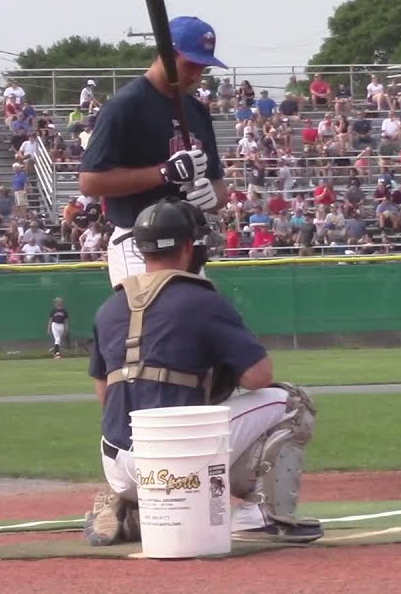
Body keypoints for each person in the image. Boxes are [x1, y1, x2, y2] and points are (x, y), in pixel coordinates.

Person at [84, 198, 322, 547]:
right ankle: (263, 517)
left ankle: (138, 506)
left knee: (165, 423)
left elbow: (104, 396)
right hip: (174, 459)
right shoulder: (201, 299)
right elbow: (258, 376)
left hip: (118, 464)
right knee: (293, 403)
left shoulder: (109, 307)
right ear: (187, 246)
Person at [78, 16, 227, 289]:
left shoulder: (196, 111)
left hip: (187, 243)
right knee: (152, 326)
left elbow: (219, 186)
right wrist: (164, 173)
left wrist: (211, 196)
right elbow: (90, 181)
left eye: (202, 67)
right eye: (190, 65)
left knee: (194, 327)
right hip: (139, 243)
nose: (196, 75)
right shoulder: (126, 105)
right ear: (168, 55)